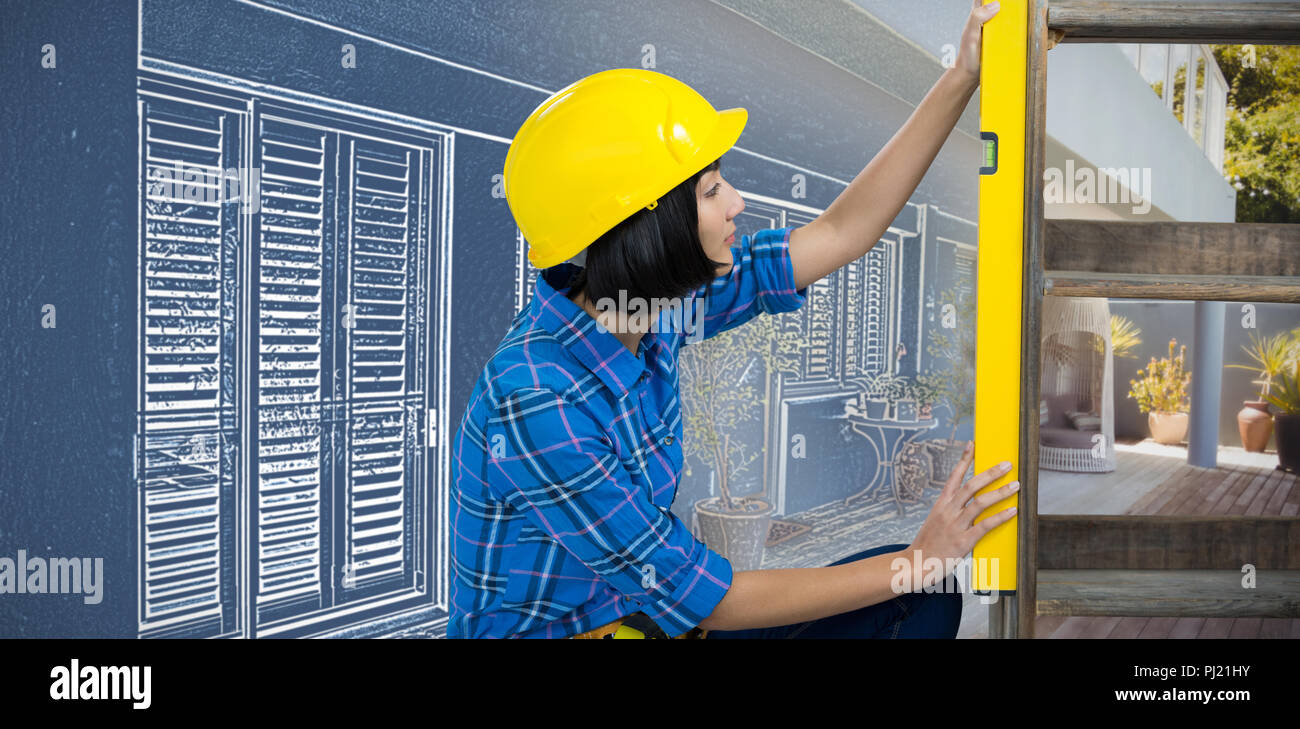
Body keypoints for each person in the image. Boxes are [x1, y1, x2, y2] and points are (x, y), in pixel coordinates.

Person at [448, 0, 1015, 639]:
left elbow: (842, 231)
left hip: (651, 625)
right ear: (648, 228)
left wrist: (962, 74)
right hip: (621, 626)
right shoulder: (536, 400)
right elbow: (706, 599)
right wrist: (917, 558)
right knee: (910, 579)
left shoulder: (648, 307)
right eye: (712, 190)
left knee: (917, 598)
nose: (737, 202)